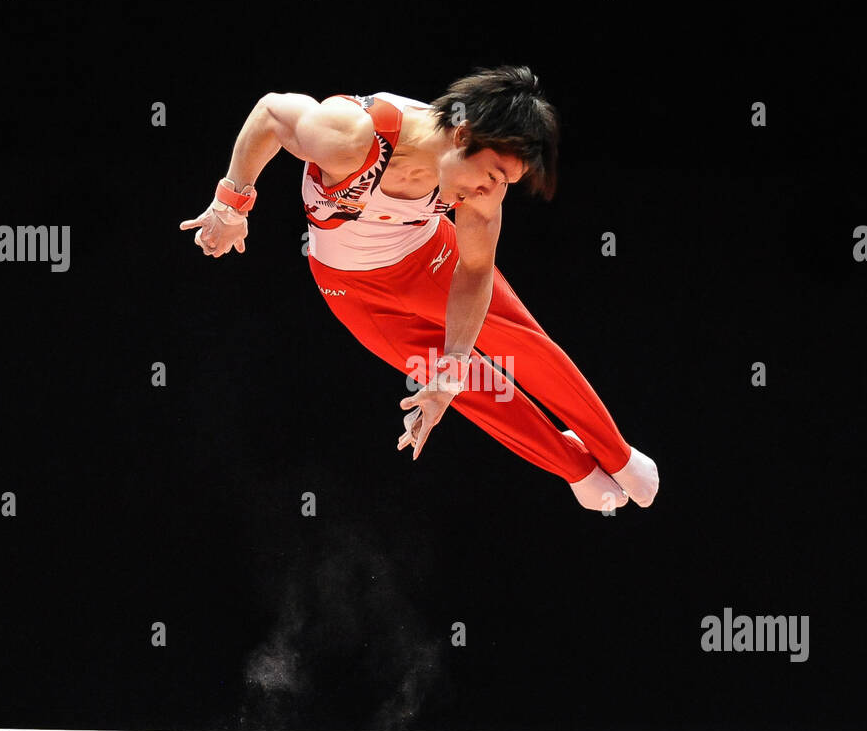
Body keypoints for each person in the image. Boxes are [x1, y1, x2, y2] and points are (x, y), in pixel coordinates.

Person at [179, 65, 657, 511]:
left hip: (432, 259)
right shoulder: (351, 135)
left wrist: (452, 362)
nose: (493, 193)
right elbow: (268, 112)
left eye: (506, 182)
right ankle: (574, 468)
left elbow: (475, 272)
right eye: (493, 175)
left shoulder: (481, 196)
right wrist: (232, 203)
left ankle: (617, 455)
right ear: (463, 134)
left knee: (512, 343)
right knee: (470, 387)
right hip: (352, 291)